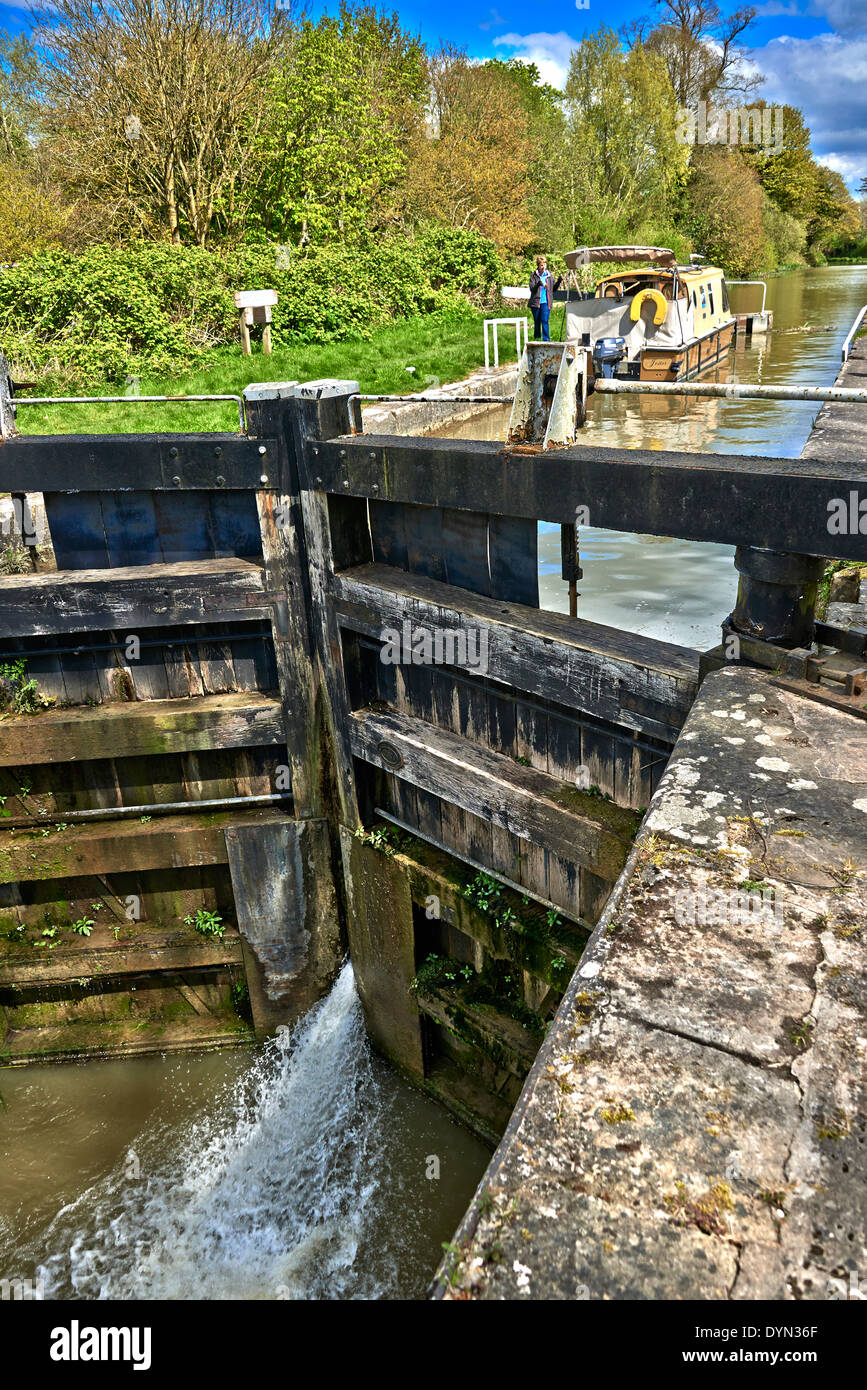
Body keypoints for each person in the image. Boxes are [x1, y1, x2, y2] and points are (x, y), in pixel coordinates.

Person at [528, 256, 562, 341]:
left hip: (546, 302)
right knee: (537, 322)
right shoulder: (534, 275)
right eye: (541, 265)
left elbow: (553, 289)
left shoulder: (549, 275)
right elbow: (532, 289)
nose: (543, 267)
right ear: (538, 266)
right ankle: (537, 339)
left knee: (545, 321)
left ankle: (546, 339)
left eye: (545, 265)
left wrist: (558, 282)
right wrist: (538, 284)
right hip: (536, 302)